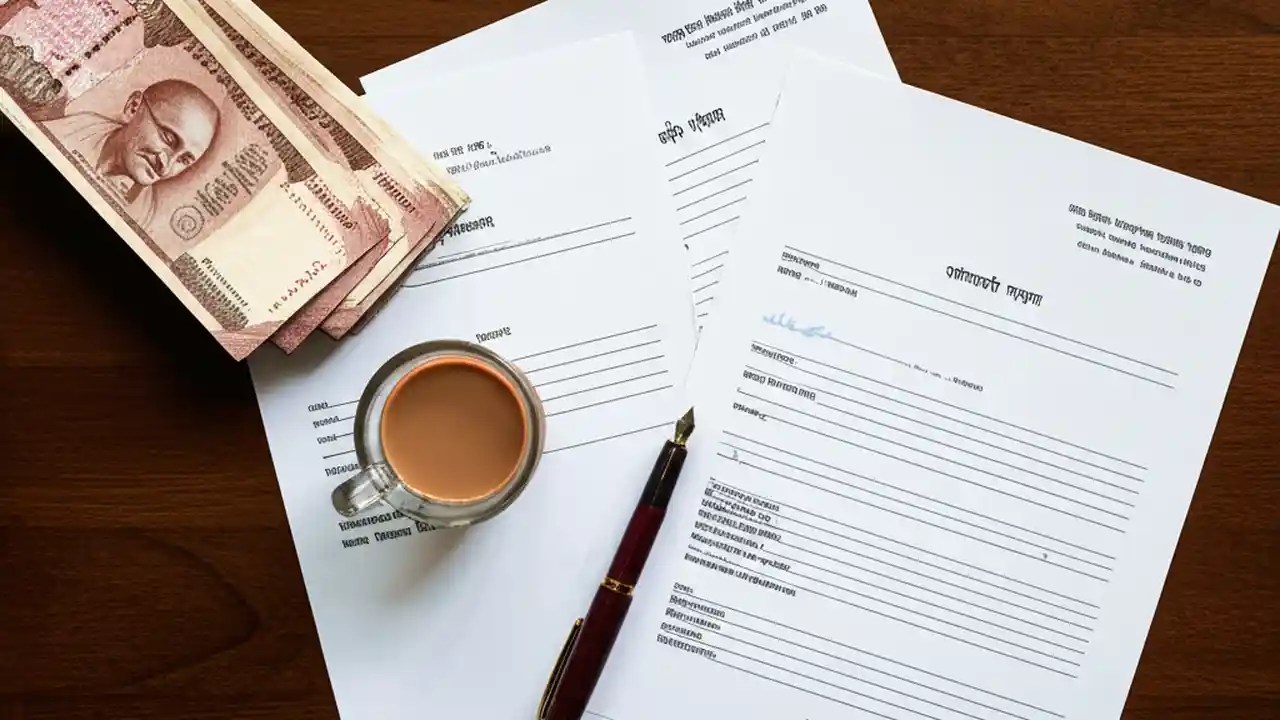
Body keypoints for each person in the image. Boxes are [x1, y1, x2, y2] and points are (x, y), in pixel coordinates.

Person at [44, 79, 219, 224]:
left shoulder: (140, 217)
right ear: (133, 107)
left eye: (184, 160)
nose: (165, 168)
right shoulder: (71, 130)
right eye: (169, 140)